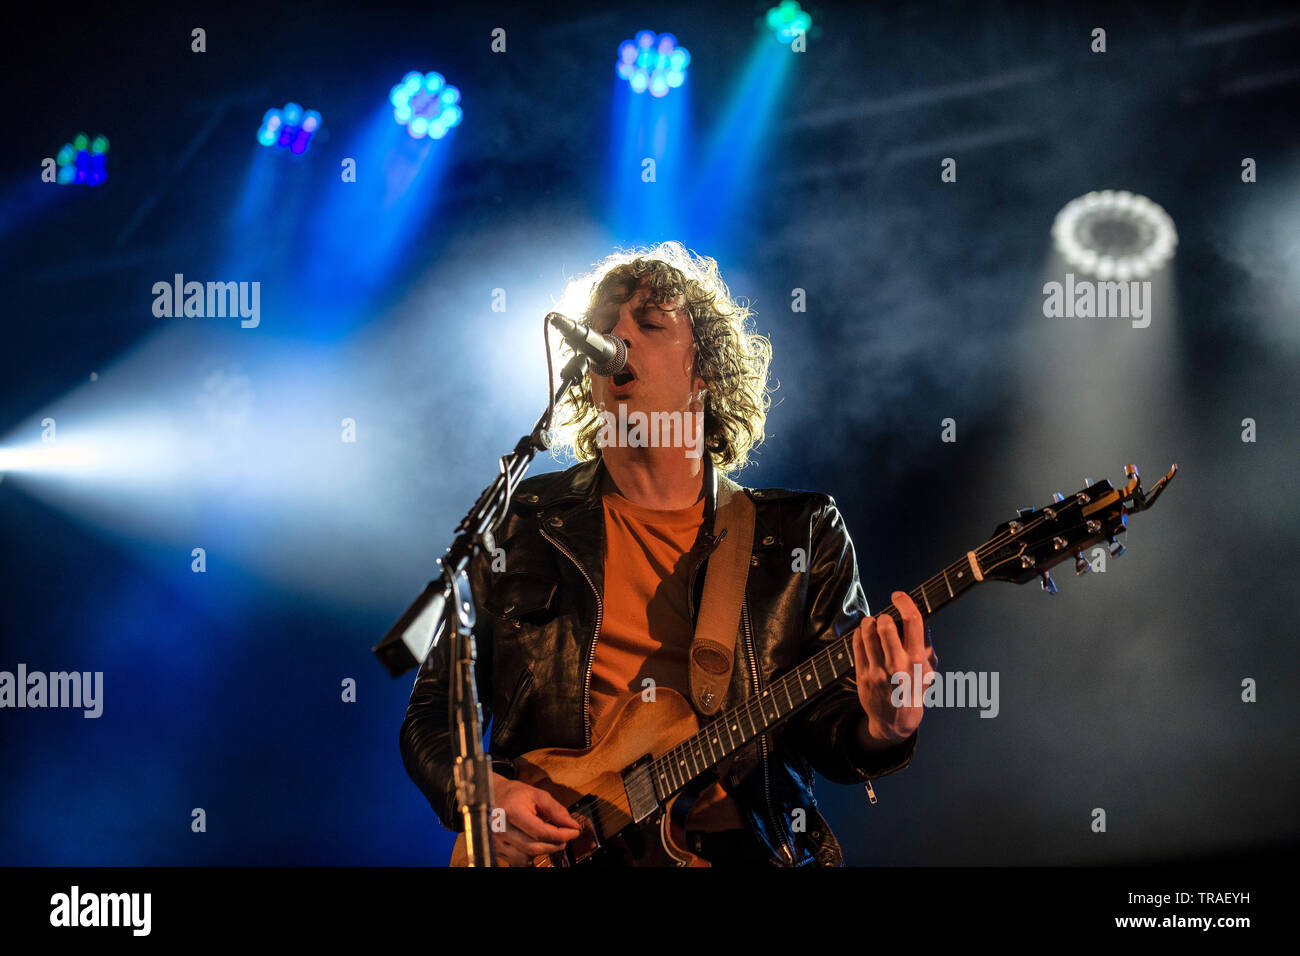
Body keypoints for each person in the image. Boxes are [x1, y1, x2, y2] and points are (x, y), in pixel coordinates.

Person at [400, 241, 937, 866]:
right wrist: (484, 793)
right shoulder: (526, 521)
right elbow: (430, 718)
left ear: (702, 371)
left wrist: (884, 728)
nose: (616, 339)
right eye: (602, 329)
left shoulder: (798, 531)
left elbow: (833, 726)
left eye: (649, 325)